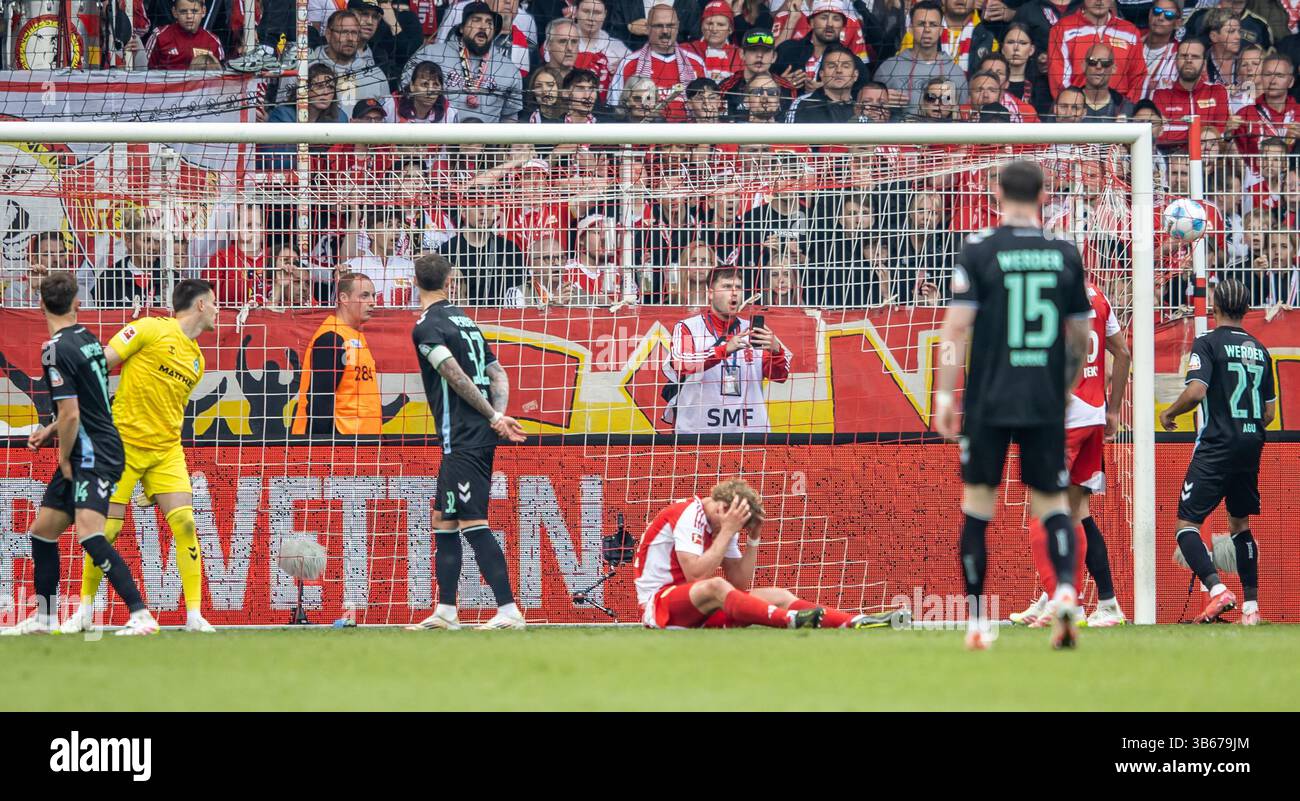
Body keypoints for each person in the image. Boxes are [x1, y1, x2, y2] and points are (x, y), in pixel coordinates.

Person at [932, 160, 1092, 651]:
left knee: (979, 506)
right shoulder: (1064, 251)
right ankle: (1066, 591)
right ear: (1044, 193)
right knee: (1050, 504)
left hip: (989, 400)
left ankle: (979, 622)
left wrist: (943, 394)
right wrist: (1063, 389)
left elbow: (955, 331)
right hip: (1043, 399)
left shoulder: (980, 249)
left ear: (996, 192)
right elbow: (1081, 338)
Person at [2, 272, 159, 636]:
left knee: (90, 534)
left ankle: (140, 614)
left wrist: (62, 457)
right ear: (77, 303)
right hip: (91, 444)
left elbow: (72, 413)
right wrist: (51, 428)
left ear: (40, 305)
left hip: (91, 452)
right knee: (43, 531)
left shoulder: (54, 349)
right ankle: (43, 619)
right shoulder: (88, 339)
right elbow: (82, 405)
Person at [59, 279, 219, 634]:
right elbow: (101, 364)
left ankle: (194, 615)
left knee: (187, 524)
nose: (220, 310)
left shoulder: (197, 360)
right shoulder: (147, 328)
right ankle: (85, 610)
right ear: (201, 305)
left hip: (166, 451)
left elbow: (172, 407)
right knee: (107, 530)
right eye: (215, 303)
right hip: (122, 445)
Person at [406, 254, 528, 632]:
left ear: (415, 283)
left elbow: (453, 373)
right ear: (450, 282)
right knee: (443, 519)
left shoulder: (427, 326)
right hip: (470, 435)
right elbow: (497, 372)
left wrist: (494, 419)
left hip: (463, 436)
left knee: (473, 521)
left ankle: (508, 610)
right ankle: (446, 610)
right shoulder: (466, 322)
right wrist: (499, 414)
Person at [1012, 277, 1132, 629]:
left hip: (1065, 418)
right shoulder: (1098, 296)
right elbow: (1122, 354)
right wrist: (1113, 411)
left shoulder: (1049, 296)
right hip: (1094, 414)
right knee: (1078, 511)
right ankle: (1105, 603)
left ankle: (1066, 601)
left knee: (1045, 507)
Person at [634, 477, 897, 630]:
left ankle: (857, 622)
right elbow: (695, 576)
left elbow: (738, 584)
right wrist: (727, 531)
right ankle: (791, 620)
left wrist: (754, 538)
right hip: (659, 607)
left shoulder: (725, 523)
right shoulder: (689, 514)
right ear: (723, 508)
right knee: (715, 585)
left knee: (778, 595)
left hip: (698, 610)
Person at [1159, 279, 1273, 625]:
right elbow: (1268, 413)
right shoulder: (1260, 349)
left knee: (1186, 526)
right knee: (1239, 524)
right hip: (1251, 444)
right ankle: (1251, 609)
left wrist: (1169, 413)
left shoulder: (1208, 343)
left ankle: (1217, 589)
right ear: (1246, 309)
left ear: (1216, 307)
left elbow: (1195, 392)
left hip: (1217, 445)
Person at [663, 267, 791, 434]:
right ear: (710, 293)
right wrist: (724, 350)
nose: (734, 293)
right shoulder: (688, 327)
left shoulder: (753, 330)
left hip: (750, 436)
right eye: (726, 286)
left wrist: (776, 351)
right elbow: (682, 364)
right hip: (697, 435)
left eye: (738, 287)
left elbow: (780, 376)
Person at [291, 273, 388, 438]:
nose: (372, 302)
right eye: (364, 296)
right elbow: (320, 400)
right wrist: (323, 447)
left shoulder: (354, 335)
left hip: (362, 439)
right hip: (342, 440)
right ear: (344, 298)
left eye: (373, 295)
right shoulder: (331, 338)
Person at [402, 1, 524, 122]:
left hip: (485, 140)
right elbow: (404, 90)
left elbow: (510, 117)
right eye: (476, 20)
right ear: (461, 28)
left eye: (489, 23)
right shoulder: (430, 54)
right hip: (435, 138)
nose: (483, 26)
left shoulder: (509, 70)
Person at [608, 4, 705, 122]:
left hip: (688, 137)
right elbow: (615, 110)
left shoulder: (697, 63)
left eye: (670, 25)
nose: (665, 31)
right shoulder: (628, 63)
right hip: (644, 137)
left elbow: (709, 107)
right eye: (659, 26)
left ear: (678, 26)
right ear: (647, 28)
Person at [278, 9, 391, 106]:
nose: (350, 38)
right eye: (343, 32)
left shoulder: (376, 75)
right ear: (328, 34)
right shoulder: (302, 66)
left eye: (354, 33)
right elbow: (283, 109)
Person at [873, 1, 968, 115]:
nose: (927, 30)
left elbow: (962, 117)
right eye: (921, 24)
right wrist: (883, 100)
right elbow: (870, 110)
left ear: (941, 30)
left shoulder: (955, 72)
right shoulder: (888, 69)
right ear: (910, 29)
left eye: (933, 24)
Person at [1047, 0, 1145, 103]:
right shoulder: (1062, 29)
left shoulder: (1130, 32)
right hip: (1076, 111)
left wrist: (1125, 108)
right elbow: (1057, 78)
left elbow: (1138, 76)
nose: (1099, 1)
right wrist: (1074, 107)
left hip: (1119, 111)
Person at [1152, 38, 1232, 146]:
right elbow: (1160, 136)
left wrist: (1178, 129)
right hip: (1171, 159)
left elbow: (1219, 135)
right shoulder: (1160, 95)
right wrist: (1201, 131)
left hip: (1208, 158)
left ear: (1204, 64)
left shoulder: (1217, 92)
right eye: (1184, 56)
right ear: (1176, 60)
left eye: (1195, 57)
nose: (1189, 60)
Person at [787, 42, 861, 123]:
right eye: (832, 66)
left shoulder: (861, 109)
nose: (839, 71)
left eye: (845, 66)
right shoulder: (803, 104)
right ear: (821, 74)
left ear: (855, 75)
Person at [145, 0, 225, 69]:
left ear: (203, 11)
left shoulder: (213, 41)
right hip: (167, 86)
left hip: (202, 86)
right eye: (183, 11)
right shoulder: (159, 36)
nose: (189, 16)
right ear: (174, 12)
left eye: (194, 11)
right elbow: (144, 71)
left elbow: (221, 77)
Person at [684, 0, 743, 82]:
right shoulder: (684, 50)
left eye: (720, 25)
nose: (714, 29)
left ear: (730, 29)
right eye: (709, 24)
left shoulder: (741, 55)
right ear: (701, 26)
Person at [1139, 0, 1181, 100]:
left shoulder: (1181, 55)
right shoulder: (1131, 39)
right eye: (1157, 11)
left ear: (1177, 23)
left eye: (1169, 15)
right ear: (1150, 14)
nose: (1161, 18)